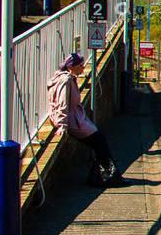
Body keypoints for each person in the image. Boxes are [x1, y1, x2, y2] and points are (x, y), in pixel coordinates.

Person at [48, 52, 125, 187]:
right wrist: (62, 125)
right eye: (81, 65)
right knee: (100, 142)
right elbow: (62, 104)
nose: (83, 68)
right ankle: (105, 176)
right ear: (72, 67)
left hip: (76, 119)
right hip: (74, 121)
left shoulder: (66, 78)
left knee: (100, 142)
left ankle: (104, 175)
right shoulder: (66, 81)